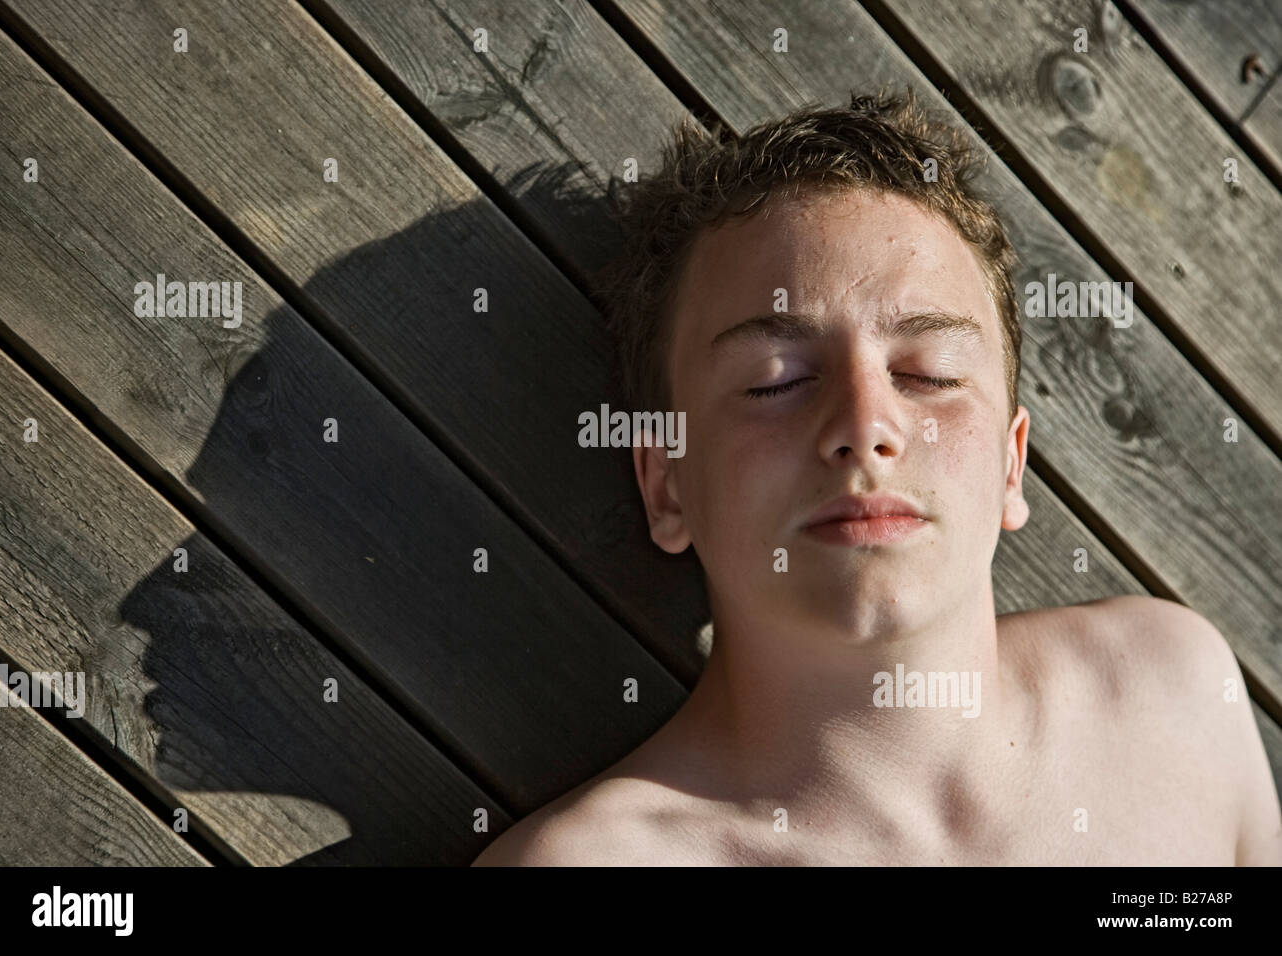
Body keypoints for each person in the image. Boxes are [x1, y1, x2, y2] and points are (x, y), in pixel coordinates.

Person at [473, 93, 1282, 865]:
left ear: (1011, 463)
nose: (865, 426)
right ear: (666, 484)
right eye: (776, 381)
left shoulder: (1174, 701)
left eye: (929, 372)